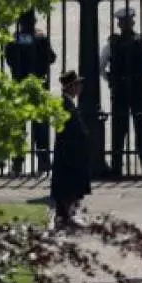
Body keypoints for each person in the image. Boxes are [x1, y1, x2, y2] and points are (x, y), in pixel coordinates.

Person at [101, 9, 142, 177]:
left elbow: (101, 65)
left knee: (119, 129)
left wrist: (110, 78)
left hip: (119, 90)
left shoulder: (111, 43)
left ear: (119, 24)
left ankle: (117, 167)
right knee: (141, 129)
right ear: (133, 22)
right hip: (138, 89)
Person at [5, 11, 57, 175]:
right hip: (38, 85)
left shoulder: (14, 39)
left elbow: (9, 59)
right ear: (34, 22)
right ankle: (42, 161)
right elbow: (51, 58)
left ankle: (18, 162)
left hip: (19, 85)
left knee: (19, 126)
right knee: (40, 125)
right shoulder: (41, 38)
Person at [50, 70, 92, 226]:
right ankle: (67, 216)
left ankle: (64, 215)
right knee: (69, 186)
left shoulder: (67, 103)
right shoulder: (66, 105)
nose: (80, 88)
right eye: (78, 85)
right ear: (71, 87)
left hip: (70, 151)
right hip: (69, 153)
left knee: (69, 186)